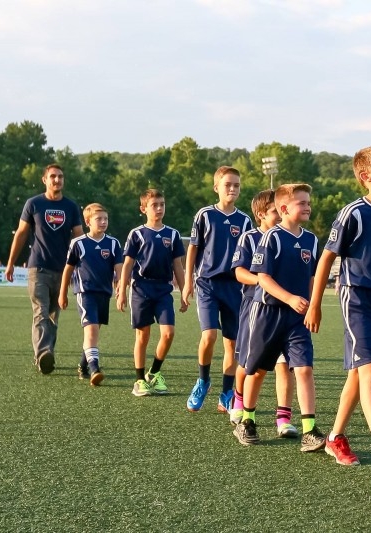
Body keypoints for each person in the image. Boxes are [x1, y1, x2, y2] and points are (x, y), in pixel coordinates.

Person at [305, 145, 371, 480]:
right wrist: (315, 303)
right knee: (370, 373)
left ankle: (335, 436)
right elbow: (326, 258)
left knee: (358, 372)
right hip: (356, 297)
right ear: (367, 176)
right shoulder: (353, 212)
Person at [232, 184, 325, 453]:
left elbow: (311, 277)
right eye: (301, 203)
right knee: (258, 370)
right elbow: (262, 278)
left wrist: (311, 305)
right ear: (284, 209)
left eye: (308, 201)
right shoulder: (270, 237)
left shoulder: (311, 240)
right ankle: (247, 420)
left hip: (297, 318)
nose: (308, 206)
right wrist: (289, 298)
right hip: (268, 314)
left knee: (304, 368)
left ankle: (309, 429)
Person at [228, 189, 298, 438]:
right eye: (274, 212)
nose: (280, 216)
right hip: (254, 306)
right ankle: (238, 402)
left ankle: (283, 418)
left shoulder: (289, 236)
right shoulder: (249, 237)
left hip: (284, 309)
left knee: (284, 365)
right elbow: (239, 272)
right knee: (248, 362)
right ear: (261, 214)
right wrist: (263, 279)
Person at [183, 166, 252, 412]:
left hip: (235, 288)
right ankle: (203, 381)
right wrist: (188, 281)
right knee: (209, 335)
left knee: (231, 344)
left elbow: (248, 253)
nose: (232, 189)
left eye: (236, 185)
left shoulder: (244, 220)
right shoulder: (204, 215)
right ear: (216, 188)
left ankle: (226, 392)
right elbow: (193, 248)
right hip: (207, 284)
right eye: (227, 185)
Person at [5, 164, 84, 374]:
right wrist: (11, 262)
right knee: (40, 311)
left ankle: (45, 353)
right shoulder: (34, 204)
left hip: (62, 270)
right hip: (37, 267)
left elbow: (78, 237)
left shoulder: (71, 206)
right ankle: (43, 354)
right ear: (44, 180)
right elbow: (21, 233)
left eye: (60, 176)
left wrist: (82, 265)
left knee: (53, 315)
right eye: (52, 177)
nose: (57, 180)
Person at [117, 189, 188, 396]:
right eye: (154, 205)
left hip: (164, 290)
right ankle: (139, 381)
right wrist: (122, 290)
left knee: (168, 333)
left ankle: (154, 373)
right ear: (143, 209)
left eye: (162, 204)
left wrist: (184, 292)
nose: (159, 208)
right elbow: (127, 264)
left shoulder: (172, 234)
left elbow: (178, 267)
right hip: (141, 289)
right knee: (143, 335)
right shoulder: (137, 234)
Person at [58, 203, 124, 386]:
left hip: (104, 294)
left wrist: (121, 287)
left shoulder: (113, 243)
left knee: (93, 333)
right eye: (99, 219)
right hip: (85, 293)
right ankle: (95, 367)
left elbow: (119, 269)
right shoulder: (78, 243)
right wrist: (62, 293)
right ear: (88, 221)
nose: (103, 222)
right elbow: (68, 270)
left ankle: (83, 365)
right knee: (91, 329)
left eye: (106, 219)